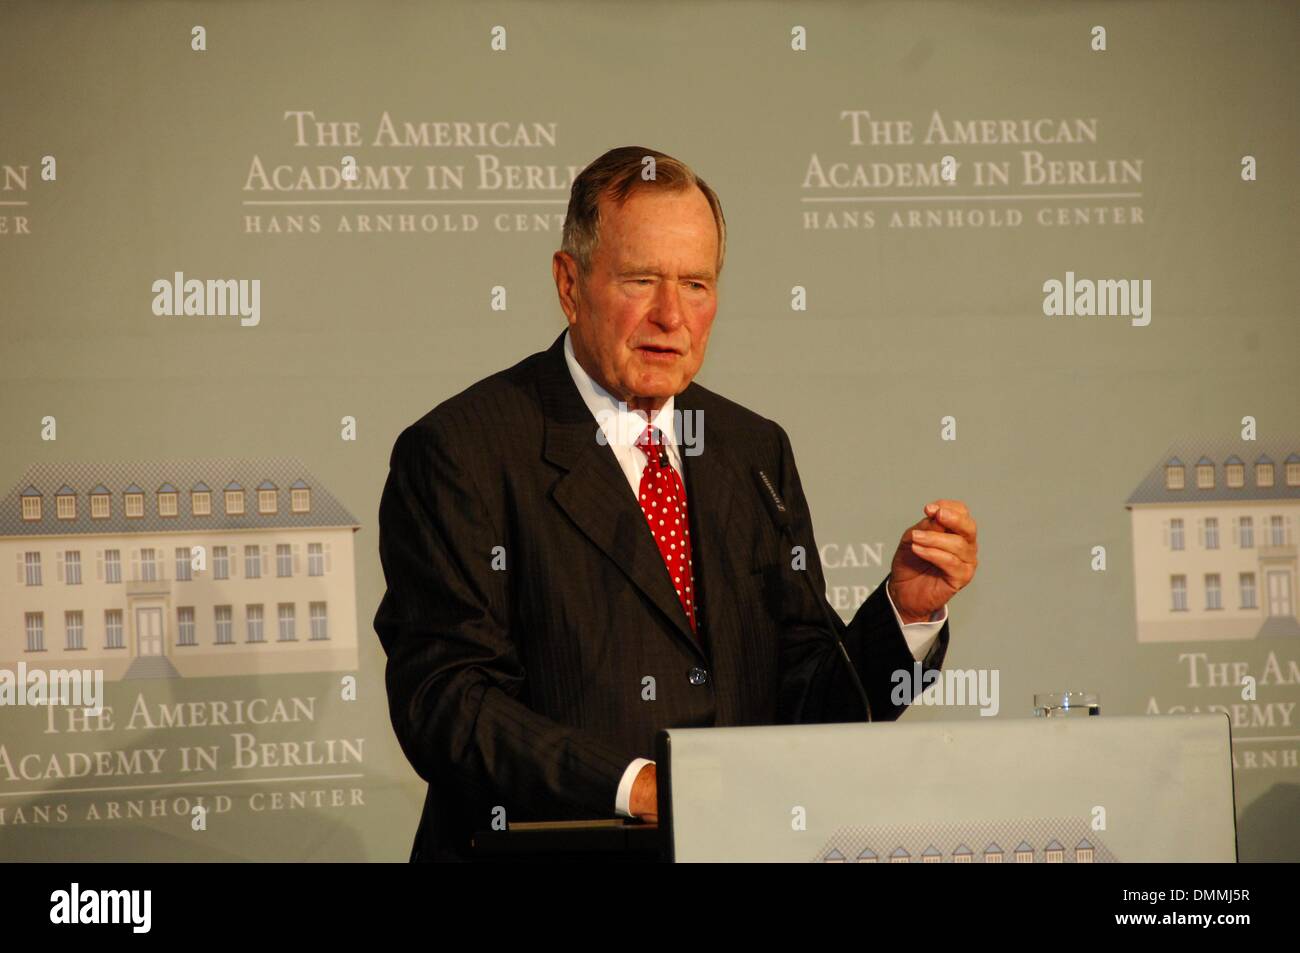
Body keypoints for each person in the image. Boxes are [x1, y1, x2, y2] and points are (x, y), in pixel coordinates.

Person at [374, 146, 979, 861]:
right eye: (641, 280)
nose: (672, 315)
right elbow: (448, 702)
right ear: (570, 285)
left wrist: (903, 613)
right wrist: (635, 785)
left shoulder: (752, 451)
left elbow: (812, 709)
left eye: (697, 283)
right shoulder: (464, 450)